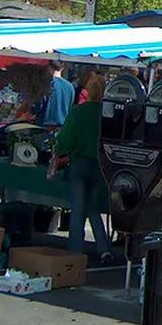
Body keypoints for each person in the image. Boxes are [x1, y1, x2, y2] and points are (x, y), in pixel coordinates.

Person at [53, 74, 114, 262]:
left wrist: (59, 151)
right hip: (101, 166)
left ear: (88, 90)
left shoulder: (78, 112)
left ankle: (75, 253)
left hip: (79, 163)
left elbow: (65, 139)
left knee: (78, 210)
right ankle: (104, 249)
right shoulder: (108, 113)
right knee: (94, 209)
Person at [43, 60, 75, 127]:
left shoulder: (46, 84)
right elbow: (70, 106)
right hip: (63, 126)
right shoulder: (70, 87)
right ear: (63, 68)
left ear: (48, 67)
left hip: (45, 125)